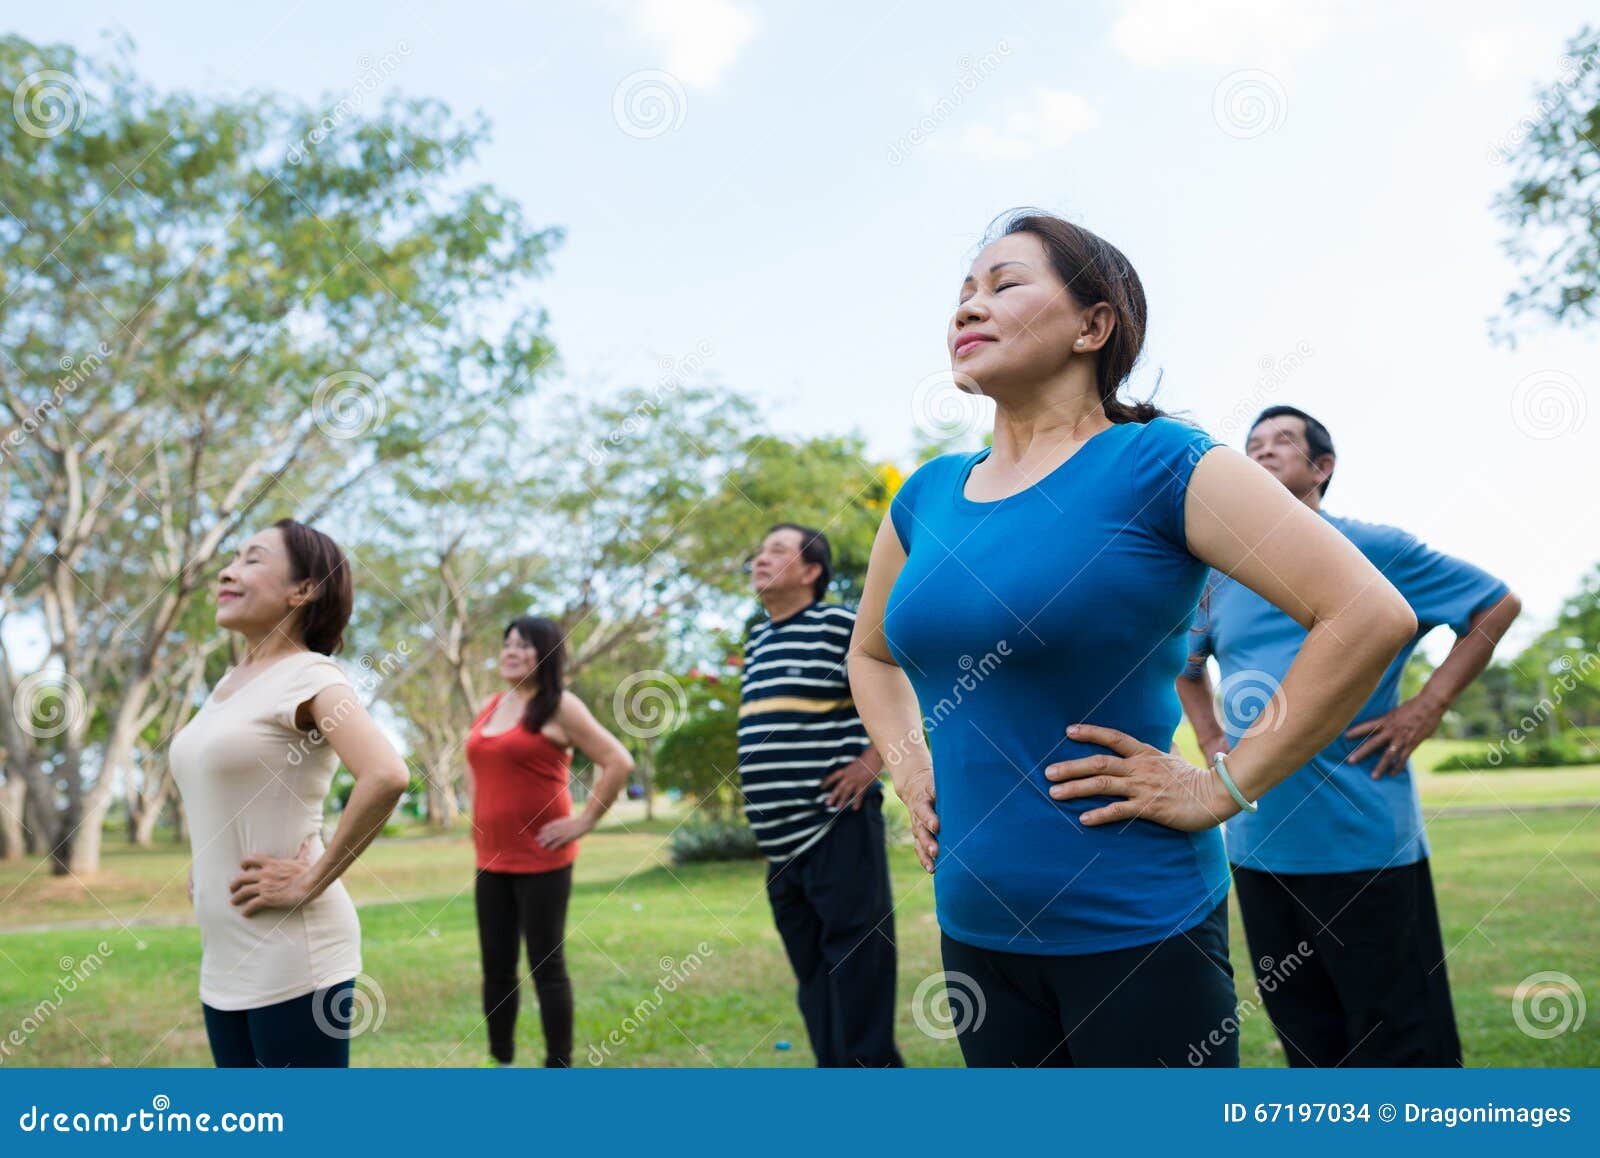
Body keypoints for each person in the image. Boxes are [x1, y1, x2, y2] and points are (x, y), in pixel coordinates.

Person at [848, 209, 1419, 1067]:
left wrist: (1223, 785)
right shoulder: (926, 494)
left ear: (1094, 324)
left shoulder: (1164, 463)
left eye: (1005, 285)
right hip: (975, 931)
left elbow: (1369, 615)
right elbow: (871, 653)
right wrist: (908, 762)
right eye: (964, 292)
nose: (968, 307)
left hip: (1138, 932)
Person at [1177, 405, 1520, 1067]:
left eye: (1282, 442)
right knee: (1310, 1041)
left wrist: (1427, 706)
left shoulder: (1379, 549)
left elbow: (1494, 604)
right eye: (1253, 445)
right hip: (1257, 843)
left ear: (1322, 467)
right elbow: (1188, 669)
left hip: (1366, 845)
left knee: (1403, 1046)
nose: (1263, 453)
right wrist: (1211, 735)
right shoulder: (1222, 574)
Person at [170, 518, 409, 1068]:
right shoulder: (228, 686)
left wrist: (310, 877)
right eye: (231, 559)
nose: (228, 572)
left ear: (302, 591)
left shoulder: (311, 677)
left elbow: (386, 774)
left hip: (293, 955)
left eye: (252, 560)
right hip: (224, 954)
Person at [739, 523, 904, 1067]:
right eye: (760, 551)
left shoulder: (840, 623)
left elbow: (901, 685)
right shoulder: (758, 637)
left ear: (812, 571)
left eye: (777, 550)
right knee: (813, 976)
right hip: (779, 844)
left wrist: (871, 760)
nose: (760, 559)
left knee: (857, 967)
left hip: (836, 825)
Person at [465, 616, 635, 1067]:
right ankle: (500, 1060)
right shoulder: (490, 705)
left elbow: (618, 761)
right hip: (491, 860)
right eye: (507, 643)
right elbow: (478, 765)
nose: (511, 651)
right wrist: (475, 816)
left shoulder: (561, 706)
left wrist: (585, 821)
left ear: (546, 655)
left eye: (524, 645)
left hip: (543, 858)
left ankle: (558, 1065)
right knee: (497, 969)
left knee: (546, 966)